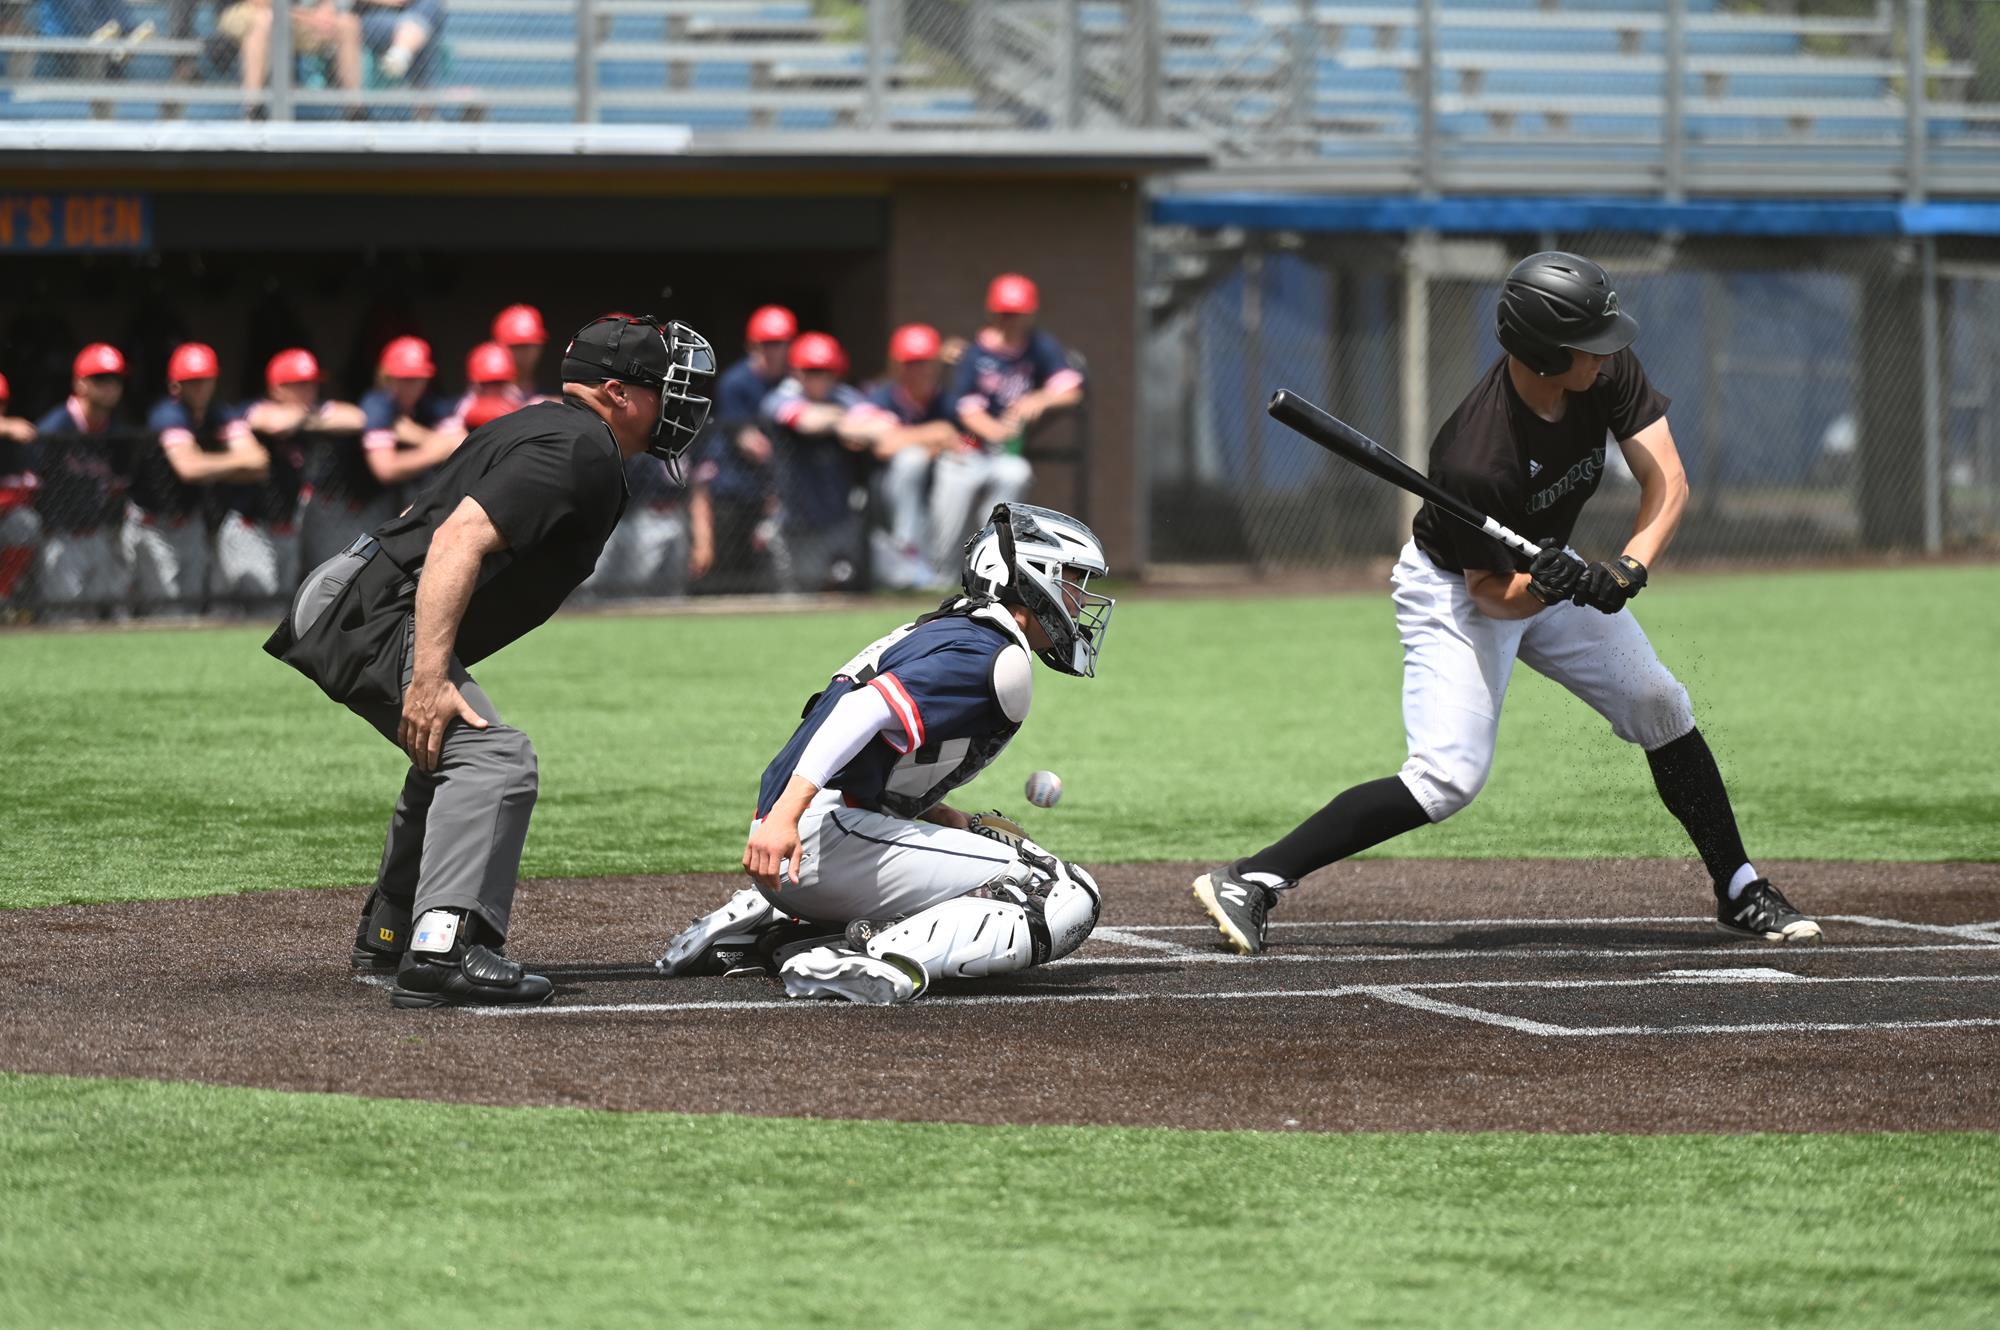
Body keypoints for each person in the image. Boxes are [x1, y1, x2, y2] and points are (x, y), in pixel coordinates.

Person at [1192, 252, 1823, 956]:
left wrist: (1626, 566)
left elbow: (1668, 479)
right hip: (1456, 592)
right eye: (1589, 345)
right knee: (1447, 779)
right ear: (1547, 353)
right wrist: (1543, 587)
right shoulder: (1476, 456)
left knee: (1658, 702)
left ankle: (1739, 887)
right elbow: (1493, 596)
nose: (1606, 356)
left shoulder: (1605, 369)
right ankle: (1252, 878)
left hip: (1548, 567)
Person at [266, 314, 716, 1009]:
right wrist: (427, 676)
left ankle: (392, 929)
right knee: (494, 759)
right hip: (372, 610)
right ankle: (442, 948)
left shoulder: (550, 427)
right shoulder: (580, 448)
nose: (680, 404)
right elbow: (457, 538)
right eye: (665, 387)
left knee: (451, 749)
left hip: (367, 596)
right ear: (618, 393)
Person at [656, 502, 1114, 1005]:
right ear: (1032, 578)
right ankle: (875, 959)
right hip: (819, 840)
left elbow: (880, 754)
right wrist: (786, 817)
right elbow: (861, 710)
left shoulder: (956, 629)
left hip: (812, 842)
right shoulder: (989, 653)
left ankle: (770, 927)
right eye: (1073, 582)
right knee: (1058, 892)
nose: (1079, 602)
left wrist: (943, 817)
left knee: (997, 866)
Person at [932, 273, 1083, 571]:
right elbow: (967, 411)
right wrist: (999, 431)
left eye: (1018, 313)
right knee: (954, 488)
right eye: (1005, 313)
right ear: (992, 313)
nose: (1011, 320)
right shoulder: (974, 353)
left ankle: (991, 564)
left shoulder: (1039, 346)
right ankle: (939, 573)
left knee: (1016, 473)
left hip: (1004, 455)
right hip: (967, 447)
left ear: (1030, 314)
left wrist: (1040, 398)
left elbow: (1072, 391)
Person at [126, 343, 269, 613]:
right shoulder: (167, 412)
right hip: (152, 524)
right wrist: (235, 462)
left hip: (190, 520)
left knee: (191, 606)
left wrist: (208, 463)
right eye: (192, 382)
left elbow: (259, 463)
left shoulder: (218, 412)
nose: (200, 388)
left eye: (205, 380)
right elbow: (189, 468)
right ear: (175, 385)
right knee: (166, 608)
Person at [299, 334, 457, 570]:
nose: (411, 386)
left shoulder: (429, 405)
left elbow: (460, 442)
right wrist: (435, 449)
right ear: (386, 377)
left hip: (376, 508)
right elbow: (385, 468)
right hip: (338, 506)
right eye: (404, 378)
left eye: (417, 378)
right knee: (337, 578)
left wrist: (422, 437)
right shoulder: (377, 402)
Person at [222, 349, 356, 607]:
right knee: (257, 607)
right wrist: (312, 416)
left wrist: (308, 418)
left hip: (287, 529)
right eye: (301, 384)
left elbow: (356, 418)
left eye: (313, 384)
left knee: (281, 609)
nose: (310, 391)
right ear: (277, 389)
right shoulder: (253, 408)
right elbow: (275, 424)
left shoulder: (308, 415)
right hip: (251, 528)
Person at [841, 323, 967, 590]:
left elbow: (961, 443)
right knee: (911, 459)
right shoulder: (883, 397)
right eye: (911, 363)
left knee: (962, 470)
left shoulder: (945, 401)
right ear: (898, 365)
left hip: (933, 493)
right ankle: (906, 551)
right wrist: (933, 433)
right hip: (882, 496)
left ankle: (951, 566)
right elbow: (882, 445)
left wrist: (934, 441)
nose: (919, 370)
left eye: (925, 362)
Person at [694, 304, 793, 594]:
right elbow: (749, 442)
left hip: (774, 491)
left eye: (780, 343)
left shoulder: (791, 382)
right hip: (734, 489)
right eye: (767, 344)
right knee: (728, 574)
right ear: (752, 346)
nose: (774, 351)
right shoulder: (737, 381)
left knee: (768, 576)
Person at [31, 343, 132, 617]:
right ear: (80, 383)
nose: (110, 387)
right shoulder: (55, 427)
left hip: (99, 535)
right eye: (101, 379)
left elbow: (120, 484)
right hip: (60, 537)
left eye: (116, 380)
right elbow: (32, 483)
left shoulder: (116, 431)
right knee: (64, 620)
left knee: (102, 620)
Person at [217, 1, 364, 113]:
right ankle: (253, 107)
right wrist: (310, 18)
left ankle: (354, 109)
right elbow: (261, 4)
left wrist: (326, 12)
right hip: (245, 11)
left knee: (348, 25)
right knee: (262, 21)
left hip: (295, 18)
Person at [0, 372, 40, 608]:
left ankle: (2, 594)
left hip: (5, 520)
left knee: (26, 523)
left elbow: (27, 489)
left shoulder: (14, 443)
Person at [354, 0, 443, 85]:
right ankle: (403, 50)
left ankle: (402, 51)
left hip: (413, 14)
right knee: (421, 28)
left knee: (429, 5)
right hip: (373, 15)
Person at [453, 340, 524, 431]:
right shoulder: (464, 411)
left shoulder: (519, 403)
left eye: (499, 383)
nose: (492, 389)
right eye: (485, 384)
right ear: (474, 384)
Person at [490, 305, 546, 401]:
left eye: (527, 345)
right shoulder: (484, 391)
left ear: (539, 347)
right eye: (515, 346)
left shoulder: (548, 394)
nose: (522, 353)